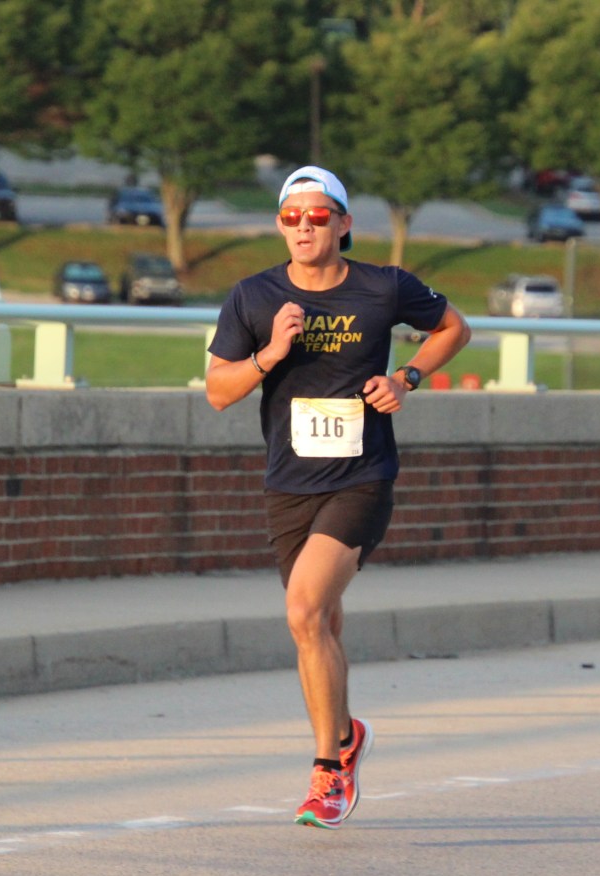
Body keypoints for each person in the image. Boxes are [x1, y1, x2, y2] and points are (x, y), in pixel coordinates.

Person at [205, 165, 471, 829]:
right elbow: (217, 390)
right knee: (318, 623)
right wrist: (271, 353)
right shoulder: (254, 296)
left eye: (318, 216)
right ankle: (346, 734)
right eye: (291, 216)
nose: (303, 226)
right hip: (289, 482)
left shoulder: (384, 288)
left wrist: (406, 377)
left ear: (345, 224)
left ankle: (328, 772)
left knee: (303, 611)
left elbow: (454, 329)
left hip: (362, 474)